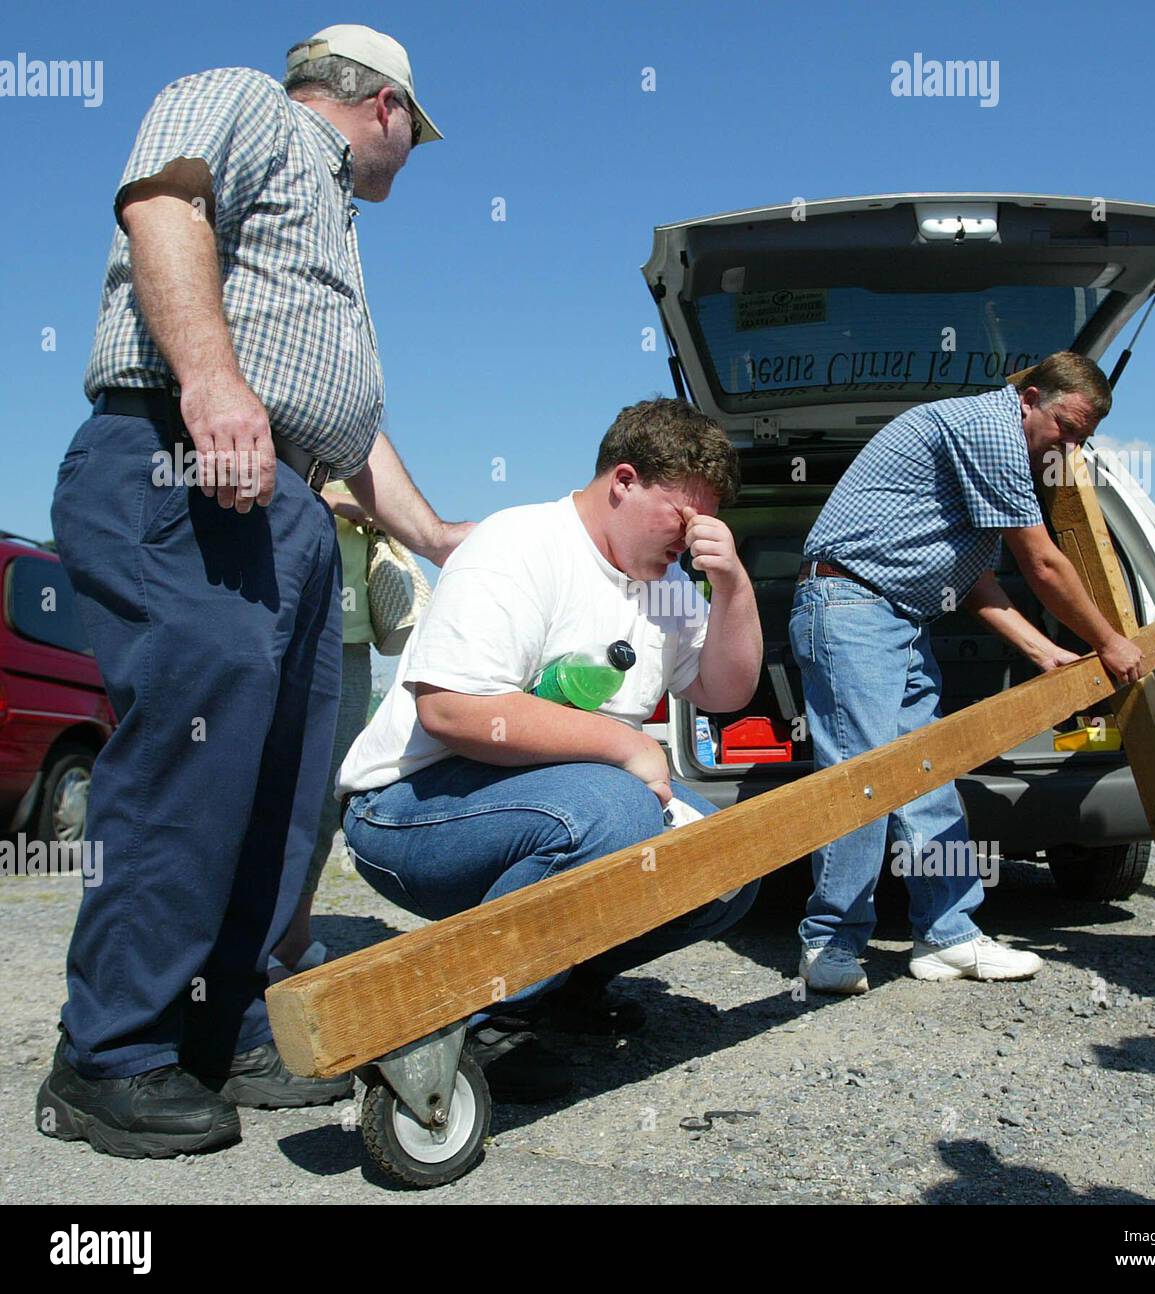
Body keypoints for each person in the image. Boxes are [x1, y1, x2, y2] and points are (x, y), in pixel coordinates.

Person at [38, 25, 471, 1161]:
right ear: (386, 108)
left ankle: (219, 1025)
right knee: (191, 760)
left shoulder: (329, 221)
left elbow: (343, 423)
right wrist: (214, 379)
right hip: (185, 466)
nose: (409, 157)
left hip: (286, 496)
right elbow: (162, 208)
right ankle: (108, 1056)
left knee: (277, 784)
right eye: (413, 137)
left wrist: (431, 534)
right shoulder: (239, 100)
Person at [337, 398, 765, 1101]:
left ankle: (554, 985)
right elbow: (449, 709)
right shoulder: (520, 544)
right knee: (617, 811)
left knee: (729, 858)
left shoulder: (668, 588)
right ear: (623, 481)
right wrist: (625, 746)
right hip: (408, 811)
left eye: (707, 523)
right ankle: (476, 1016)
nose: (692, 538)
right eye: (683, 518)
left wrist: (733, 585)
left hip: (550, 800)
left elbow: (725, 690)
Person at [791, 352, 1145, 994]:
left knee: (928, 772)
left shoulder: (984, 443)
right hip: (851, 605)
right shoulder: (990, 430)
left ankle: (947, 937)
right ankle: (829, 945)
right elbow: (1040, 564)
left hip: (897, 612)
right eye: (1066, 426)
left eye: (1083, 439)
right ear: (1030, 396)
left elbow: (976, 580)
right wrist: (1109, 641)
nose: (1069, 446)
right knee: (862, 780)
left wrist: (1043, 651)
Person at [268, 481, 376, 982]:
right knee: (260, 784)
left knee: (323, 791)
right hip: (275, 616)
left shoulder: (358, 448)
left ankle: (292, 934)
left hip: (348, 634)